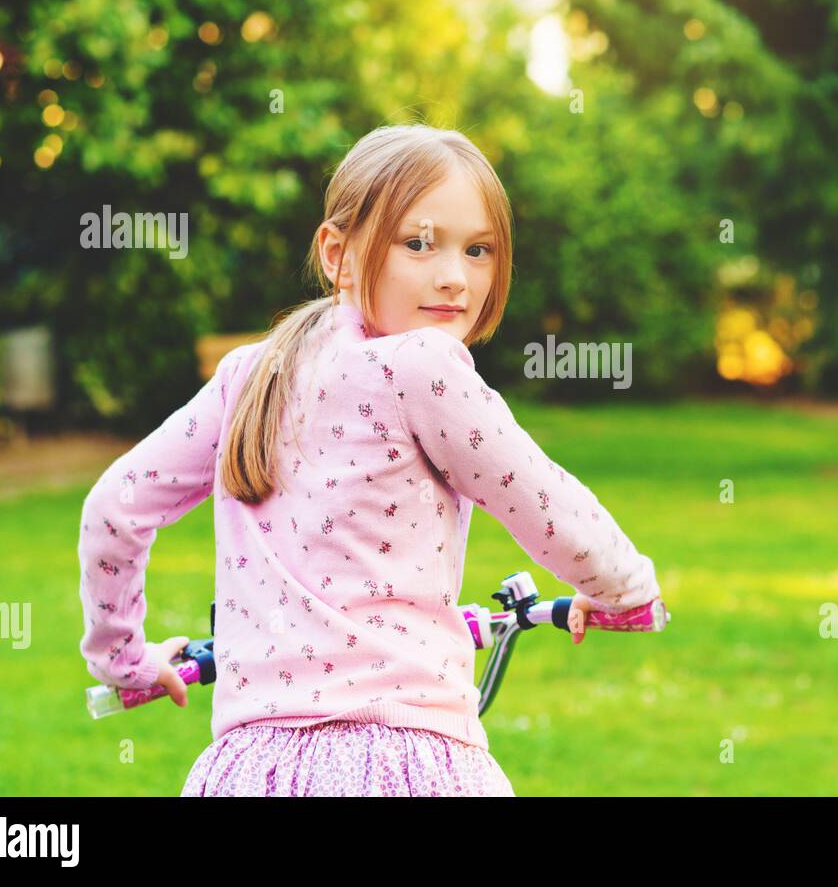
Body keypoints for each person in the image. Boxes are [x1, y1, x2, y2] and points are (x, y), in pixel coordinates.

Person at [76, 123, 662, 796]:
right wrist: (625, 589)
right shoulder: (423, 364)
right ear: (339, 252)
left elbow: (114, 508)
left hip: (249, 770)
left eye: (479, 250)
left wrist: (125, 661)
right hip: (405, 761)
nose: (453, 276)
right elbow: (539, 498)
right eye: (419, 243)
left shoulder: (248, 376)